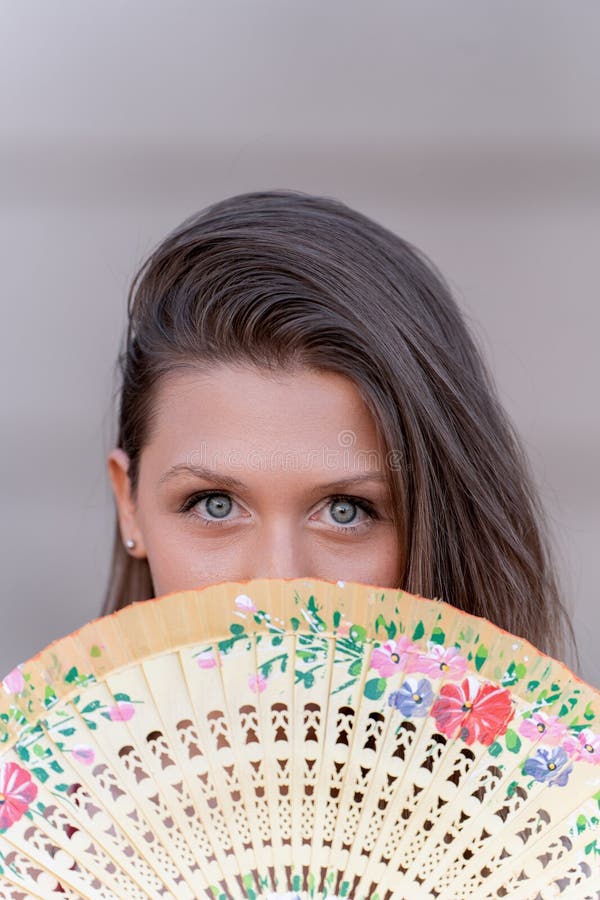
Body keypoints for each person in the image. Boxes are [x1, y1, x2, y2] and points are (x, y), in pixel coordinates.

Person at [104, 189, 578, 667]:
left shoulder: (554, 745)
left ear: (438, 526)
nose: (279, 592)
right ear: (129, 504)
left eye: (345, 512)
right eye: (215, 505)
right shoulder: (43, 744)